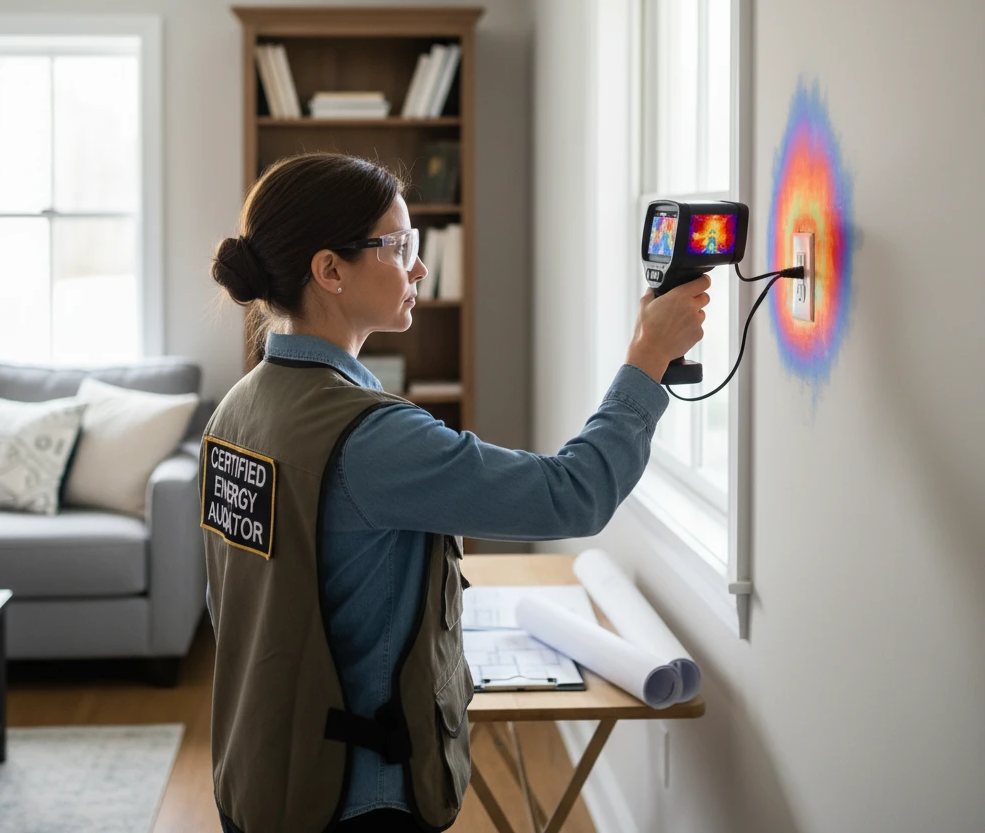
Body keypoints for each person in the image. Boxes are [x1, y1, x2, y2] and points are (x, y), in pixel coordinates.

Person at [204, 151, 710, 833]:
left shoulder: (237, 410)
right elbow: (572, 496)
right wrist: (647, 361)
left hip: (261, 774)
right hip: (356, 800)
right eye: (400, 245)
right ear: (329, 270)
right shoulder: (372, 440)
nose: (418, 266)